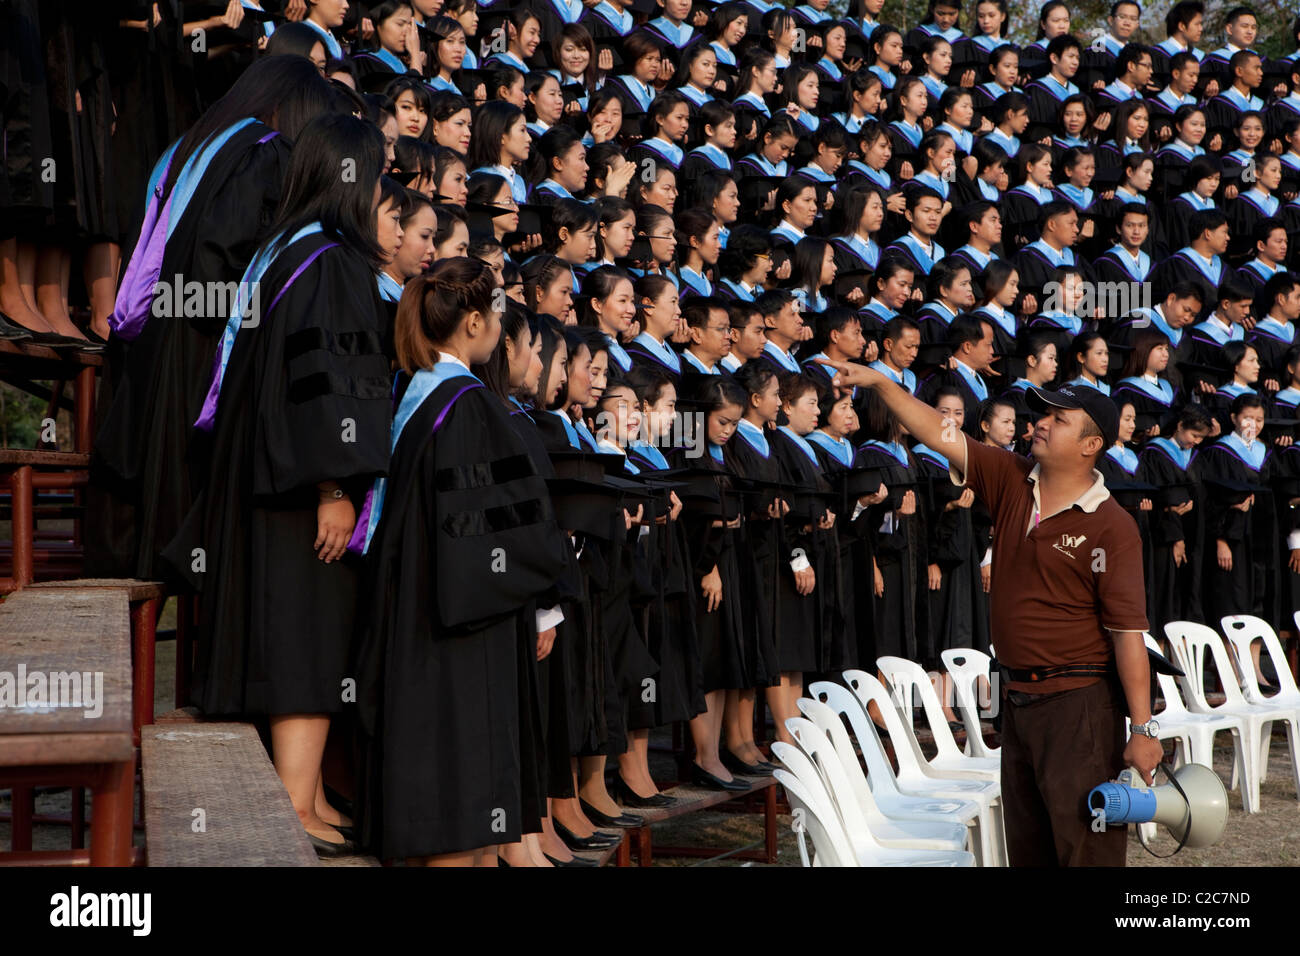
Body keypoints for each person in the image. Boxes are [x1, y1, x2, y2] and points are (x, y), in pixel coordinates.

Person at [160, 113, 395, 856]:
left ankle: (311, 792)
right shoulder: (332, 263)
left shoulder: (282, 252)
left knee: (304, 633)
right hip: (304, 489)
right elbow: (328, 381)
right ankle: (293, 801)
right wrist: (334, 483)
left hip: (261, 476)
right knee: (308, 637)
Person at [822, 357, 1163, 867]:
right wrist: (877, 382)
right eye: (1041, 414)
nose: (1039, 423)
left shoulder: (1112, 527)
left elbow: (1128, 634)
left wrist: (1142, 731)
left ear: (1092, 445)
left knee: (1084, 852)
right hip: (1017, 699)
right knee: (1028, 850)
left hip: (1082, 708)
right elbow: (939, 432)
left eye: (1058, 419)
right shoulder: (1011, 478)